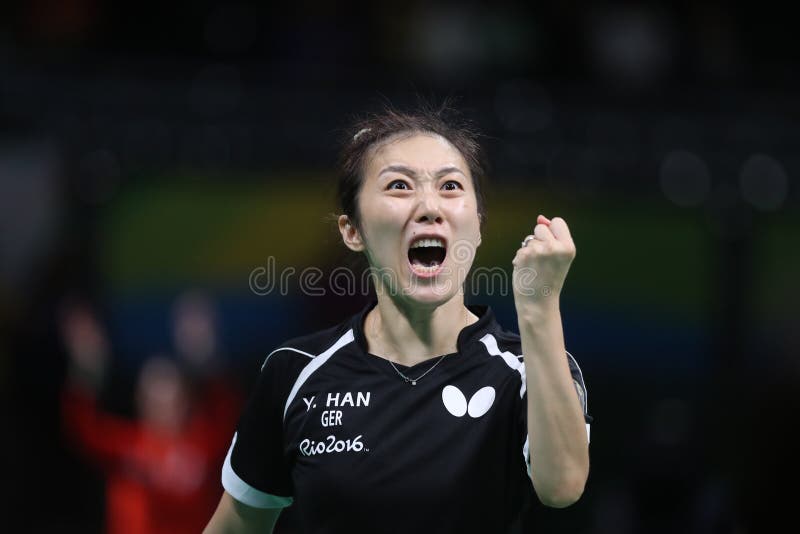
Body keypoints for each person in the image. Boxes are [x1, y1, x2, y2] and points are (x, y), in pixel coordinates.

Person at [204, 102, 592, 533]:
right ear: (352, 231)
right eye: (400, 186)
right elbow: (237, 527)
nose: (429, 206)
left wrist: (538, 309)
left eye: (450, 186)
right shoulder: (295, 371)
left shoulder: (526, 371)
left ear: (478, 225)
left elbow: (562, 486)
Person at [59, 300, 236, 534]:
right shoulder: (125, 444)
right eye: (153, 396)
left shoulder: (204, 442)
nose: (163, 404)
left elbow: (229, 411)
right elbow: (82, 427)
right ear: (140, 400)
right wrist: (85, 368)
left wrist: (205, 356)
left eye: (170, 395)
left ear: (185, 399)